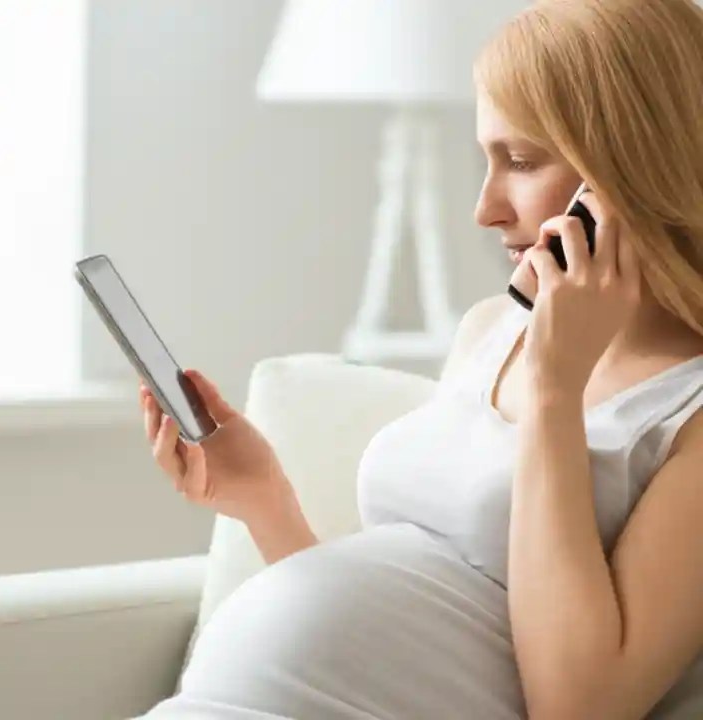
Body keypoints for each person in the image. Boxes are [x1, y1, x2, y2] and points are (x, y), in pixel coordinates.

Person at [137, 1, 703, 717]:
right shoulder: (490, 331)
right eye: (487, 160)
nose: (486, 208)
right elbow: (408, 627)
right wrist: (262, 499)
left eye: (521, 162)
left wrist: (555, 389)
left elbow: (580, 704)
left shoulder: (687, 414)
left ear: (631, 171)